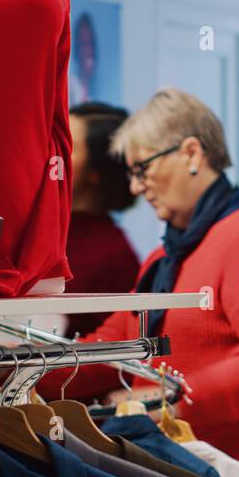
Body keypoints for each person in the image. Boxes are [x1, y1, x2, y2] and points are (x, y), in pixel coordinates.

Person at [40, 88, 239, 477]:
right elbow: (114, 344)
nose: (135, 187)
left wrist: (171, 396)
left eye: (142, 168)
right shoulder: (164, 258)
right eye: (131, 173)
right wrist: (16, 369)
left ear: (191, 154)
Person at [61, 102, 142, 339]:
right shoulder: (40, 230)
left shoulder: (115, 257)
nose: (51, 152)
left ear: (95, 172)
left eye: (67, 146)